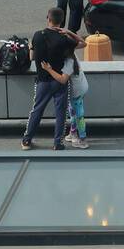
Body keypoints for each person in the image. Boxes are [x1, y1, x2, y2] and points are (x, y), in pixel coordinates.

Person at [22, 8, 81, 150]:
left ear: (48, 18)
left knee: (37, 110)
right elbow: (82, 43)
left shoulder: (37, 36)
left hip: (42, 81)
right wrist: (69, 32)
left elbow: (32, 57)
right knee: (61, 113)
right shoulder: (64, 39)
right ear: (61, 21)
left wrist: (31, 46)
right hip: (59, 81)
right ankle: (57, 143)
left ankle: (27, 140)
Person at [62, 30, 90, 150]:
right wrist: (69, 32)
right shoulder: (71, 52)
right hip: (82, 87)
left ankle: (82, 138)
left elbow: (63, 80)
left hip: (76, 92)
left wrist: (48, 69)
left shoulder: (68, 61)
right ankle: (72, 132)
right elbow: (84, 43)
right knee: (72, 111)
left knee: (79, 114)